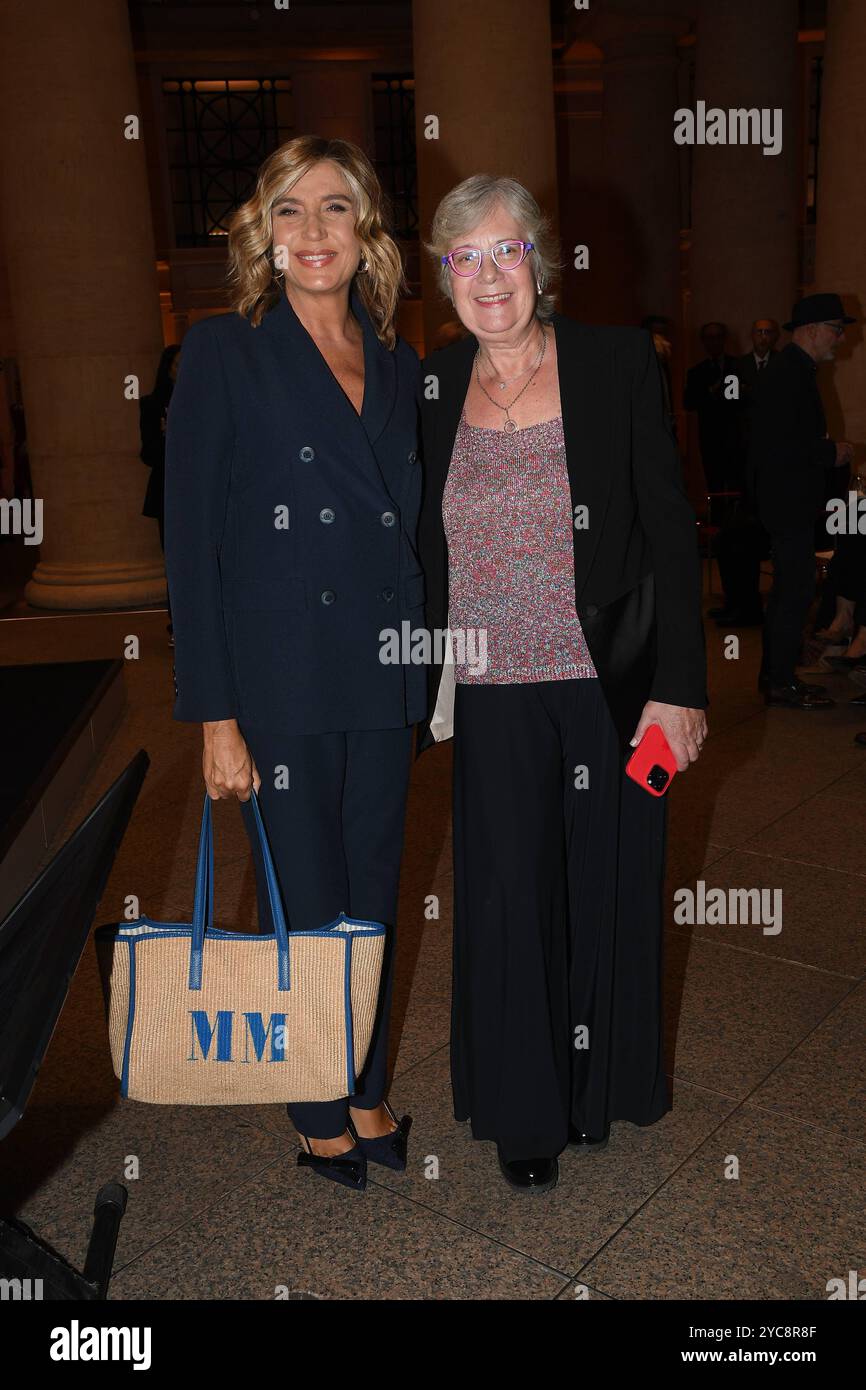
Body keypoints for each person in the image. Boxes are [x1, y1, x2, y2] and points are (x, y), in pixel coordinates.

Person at [416, 175, 707, 1194]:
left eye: (504, 252)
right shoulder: (432, 384)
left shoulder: (615, 360)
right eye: (463, 258)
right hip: (492, 687)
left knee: (611, 880)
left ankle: (598, 1089)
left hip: (614, 683)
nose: (487, 277)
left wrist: (681, 687)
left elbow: (670, 532)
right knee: (506, 895)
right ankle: (525, 1112)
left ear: (539, 261)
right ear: (442, 275)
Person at [165, 136, 425, 1191]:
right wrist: (213, 715)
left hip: (380, 666)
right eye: (288, 211)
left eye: (334, 209)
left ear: (365, 232)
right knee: (304, 891)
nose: (312, 232)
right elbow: (192, 543)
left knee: (370, 887)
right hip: (278, 672)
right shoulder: (224, 348)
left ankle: (361, 1078)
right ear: (261, 236)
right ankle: (319, 1101)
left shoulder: (399, 357)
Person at [750, 293, 855, 709]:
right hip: (787, 500)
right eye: (836, 329)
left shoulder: (794, 370)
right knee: (794, 593)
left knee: (790, 593)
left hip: (788, 499)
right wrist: (831, 452)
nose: (841, 338)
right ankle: (780, 682)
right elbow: (779, 446)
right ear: (811, 331)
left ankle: (775, 676)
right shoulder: (788, 373)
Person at [710, 319, 781, 629]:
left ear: (774, 337)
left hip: (772, 466)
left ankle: (746, 607)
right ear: (752, 336)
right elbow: (729, 404)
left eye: (768, 332)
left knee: (746, 540)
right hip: (741, 463)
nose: (763, 337)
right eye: (758, 332)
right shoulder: (738, 366)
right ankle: (736, 603)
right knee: (731, 538)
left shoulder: (782, 365)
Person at [140, 344, 180, 644]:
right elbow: (148, 454)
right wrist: (167, 436)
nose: (181, 370)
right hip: (169, 492)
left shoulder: (207, 399)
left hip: (209, 492)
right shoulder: (152, 405)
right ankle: (177, 623)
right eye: (176, 365)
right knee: (176, 560)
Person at [684, 321, 744, 494]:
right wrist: (709, 391)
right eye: (710, 338)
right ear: (703, 341)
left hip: (736, 436)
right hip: (710, 437)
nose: (714, 342)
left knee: (736, 483)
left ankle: (735, 519)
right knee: (714, 483)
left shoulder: (737, 365)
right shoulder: (696, 372)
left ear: (724, 339)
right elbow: (688, 403)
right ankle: (717, 519)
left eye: (718, 337)